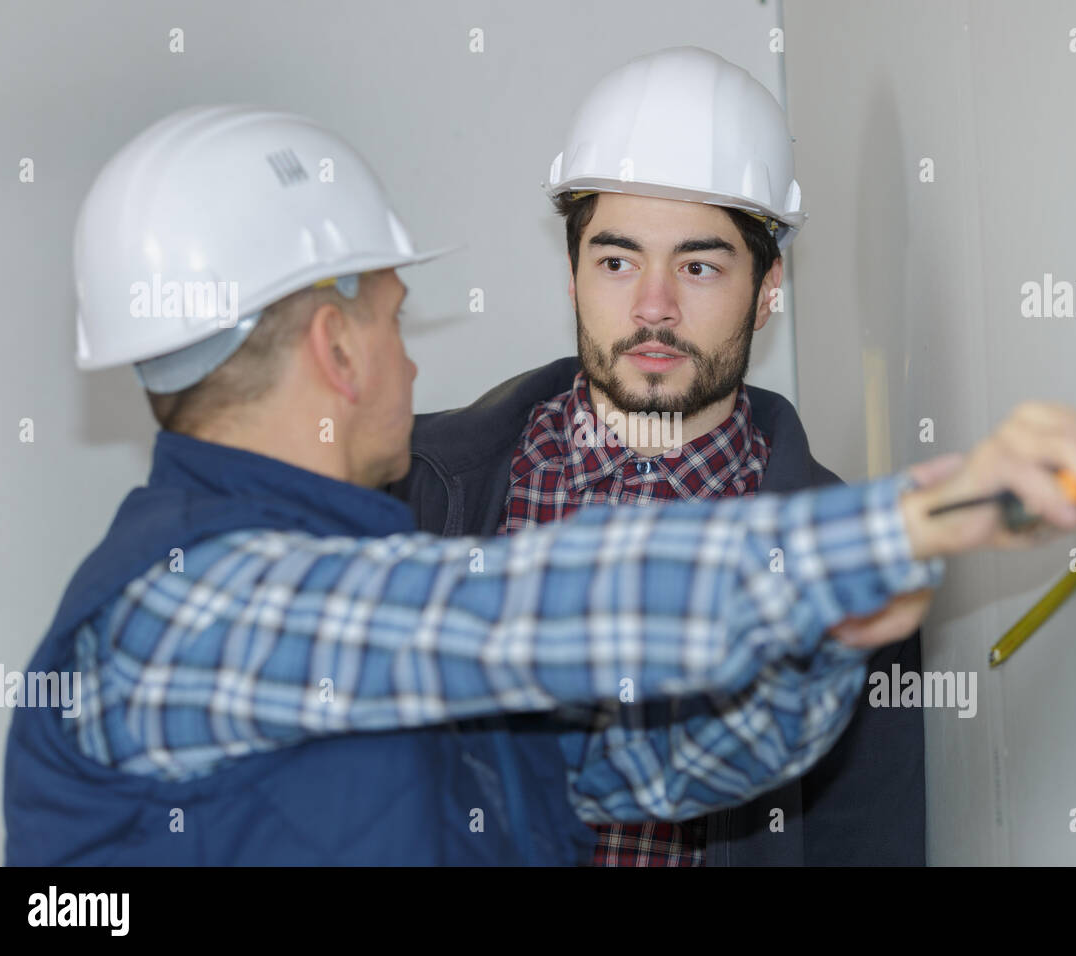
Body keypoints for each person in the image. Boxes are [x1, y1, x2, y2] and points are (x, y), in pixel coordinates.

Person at [5, 105, 1076, 866]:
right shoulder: (187, 608)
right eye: (398, 325)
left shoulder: (361, 603)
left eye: (697, 261)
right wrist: (911, 517)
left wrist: (828, 640)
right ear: (335, 350)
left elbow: (638, 768)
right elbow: (518, 610)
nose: (412, 363)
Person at [390, 45, 919, 865]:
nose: (653, 308)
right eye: (616, 260)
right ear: (571, 273)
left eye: (699, 265)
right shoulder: (409, 486)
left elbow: (865, 845)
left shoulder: (846, 565)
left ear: (768, 287)